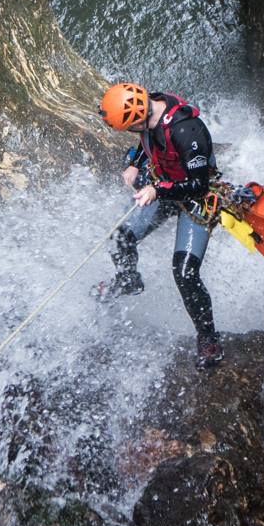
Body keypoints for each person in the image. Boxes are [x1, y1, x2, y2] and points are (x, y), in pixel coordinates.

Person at [97, 82, 223, 368]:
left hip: (197, 198)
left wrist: (157, 190)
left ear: (139, 116)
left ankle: (209, 339)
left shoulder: (186, 130)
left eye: (130, 127)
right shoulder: (149, 109)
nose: (131, 132)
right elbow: (147, 141)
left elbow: (198, 184)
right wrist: (133, 161)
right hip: (166, 184)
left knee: (184, 271)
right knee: (121, 237)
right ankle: (129, 279)